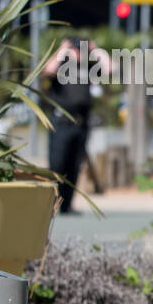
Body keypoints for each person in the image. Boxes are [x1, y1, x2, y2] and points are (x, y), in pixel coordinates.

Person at [45, 38, 105, 213]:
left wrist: (95, 49)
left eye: (80, 49)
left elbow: (111, 68)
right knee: (57, 165)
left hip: (81, 124)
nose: (78, 52)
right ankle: (51, 204)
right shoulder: (60, 66)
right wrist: (62, 50)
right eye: (75, 49)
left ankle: (67, 205)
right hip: (61, 123)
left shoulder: (88, 68)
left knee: (74, 166)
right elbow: (47, 70)